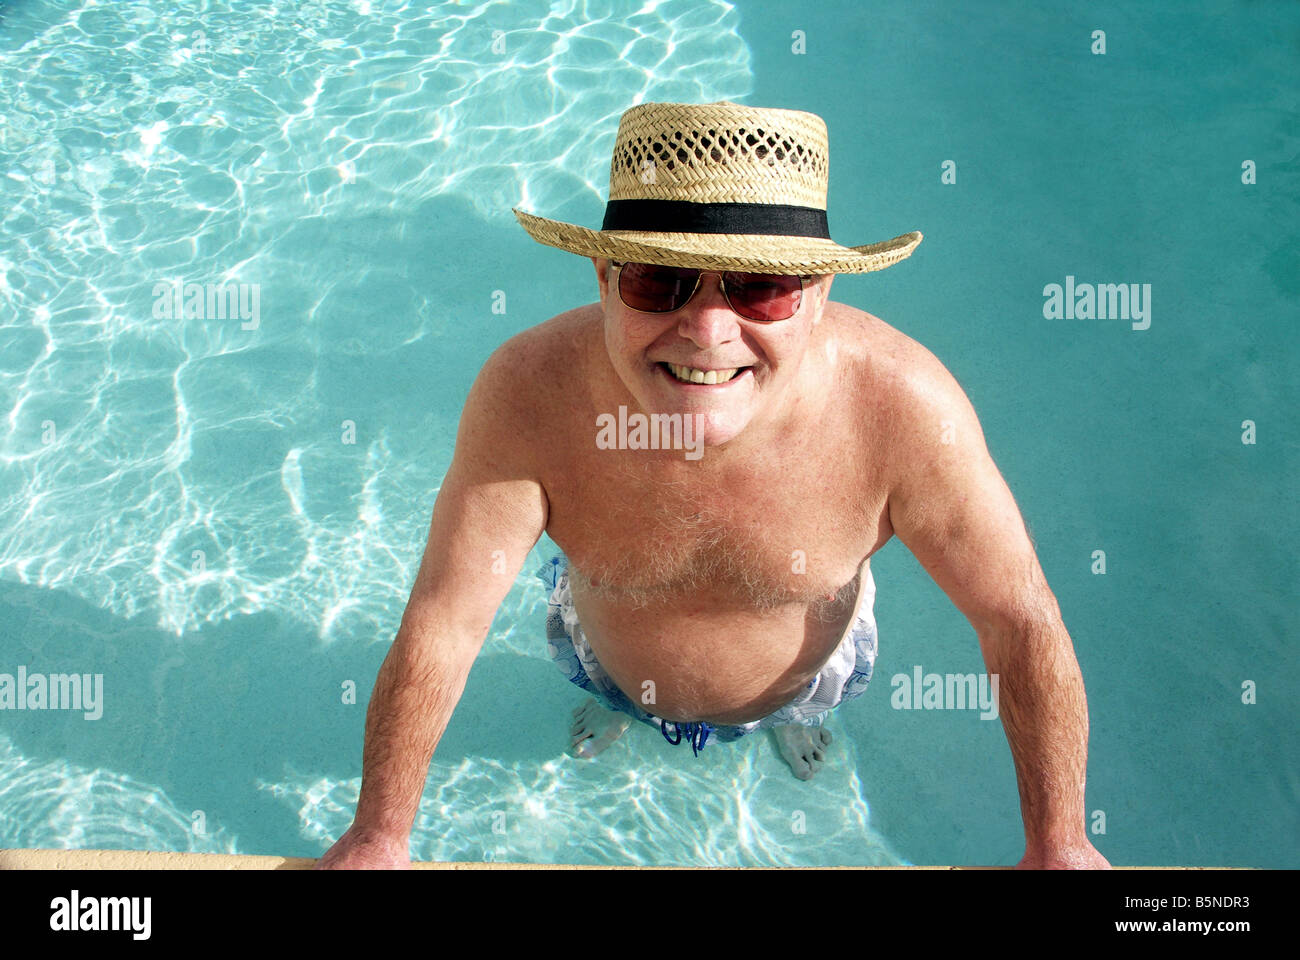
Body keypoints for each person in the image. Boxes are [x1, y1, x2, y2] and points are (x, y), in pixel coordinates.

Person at [316, 101, 1110, 869]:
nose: (706, 331)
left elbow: (1017, 620)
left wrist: (1060, 846)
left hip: (808, 673)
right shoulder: (530, 395)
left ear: (821, 295)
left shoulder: (902, 410)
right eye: (659, 281)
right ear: (602, 277)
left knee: (801, 700)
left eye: (761, 287)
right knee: (611, 684)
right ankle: (621, 705)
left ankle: (781, 718)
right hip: (606, 653)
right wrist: (379, 835)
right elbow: (447, 622)